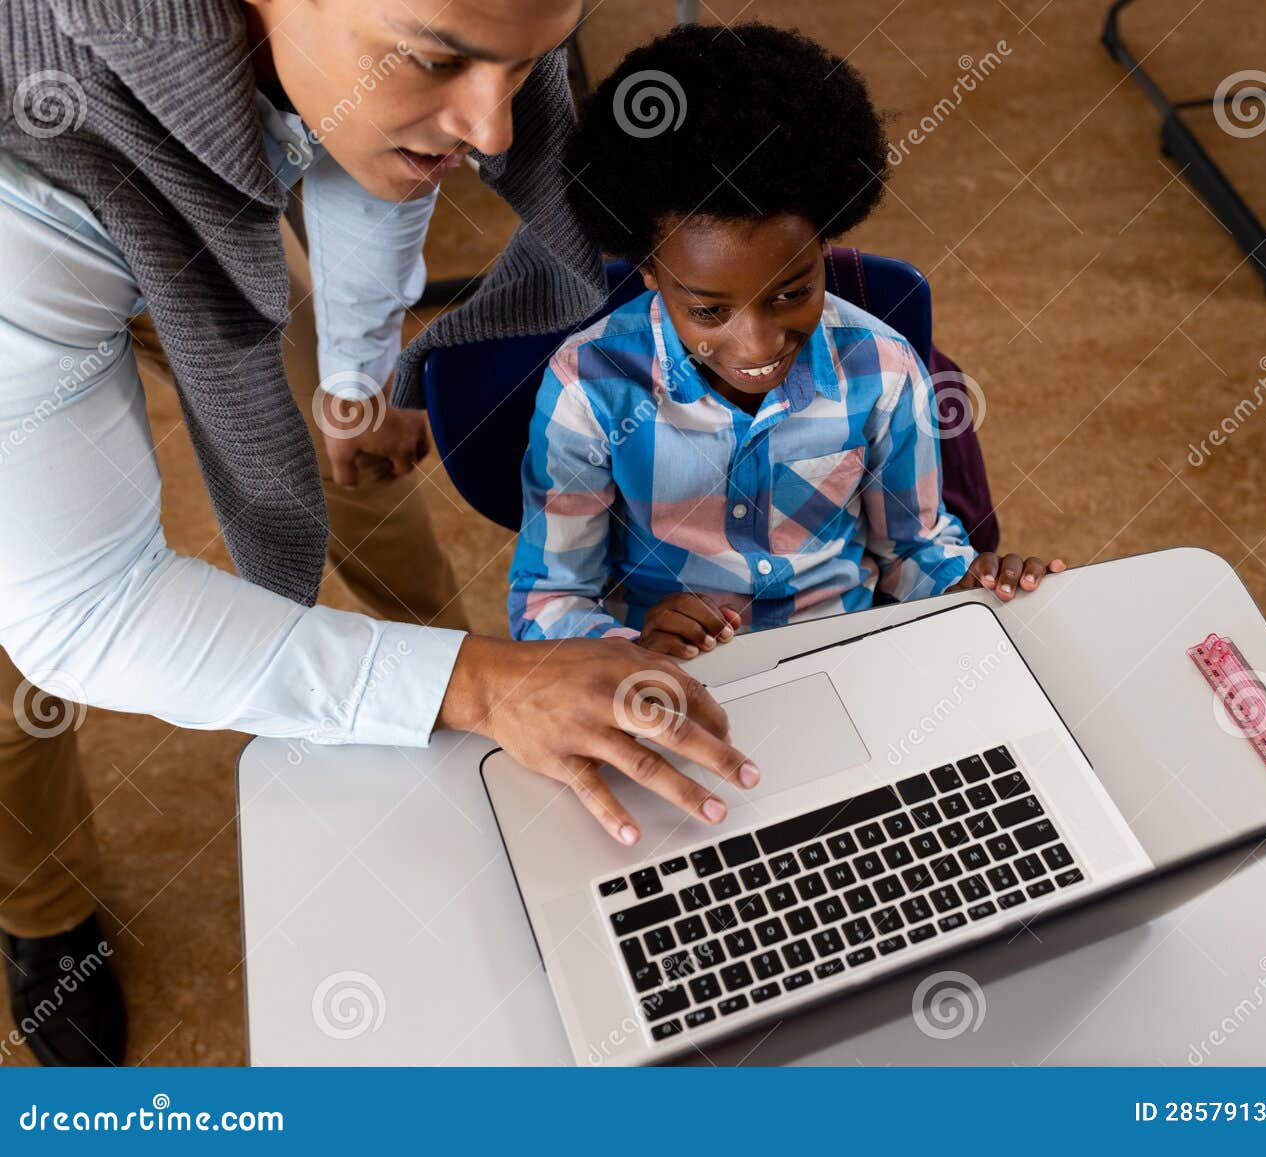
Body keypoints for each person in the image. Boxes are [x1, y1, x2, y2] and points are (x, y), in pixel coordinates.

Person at [0, 0, 752, 1067]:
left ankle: (453, 715)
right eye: (439, 58)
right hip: (36, 209)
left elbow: (375, 145)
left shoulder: (376, 48)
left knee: (341, 452)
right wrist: (486, 684)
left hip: (199, 161)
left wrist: (355, 379)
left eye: (525, 64)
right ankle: (43, 913)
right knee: (14, 681)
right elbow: (83, 608)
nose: (495, 131)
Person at [508, 23, 1064, 659]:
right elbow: (548, 601)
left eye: (791, 293)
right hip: (676, 680)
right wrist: (633, 643)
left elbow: (912, 552)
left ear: (825, 245)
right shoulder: (591, 385)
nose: (755, 345)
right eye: (708, 310)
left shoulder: (881, 369)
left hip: (851, 655)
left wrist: (970, 584)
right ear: (651, 273)